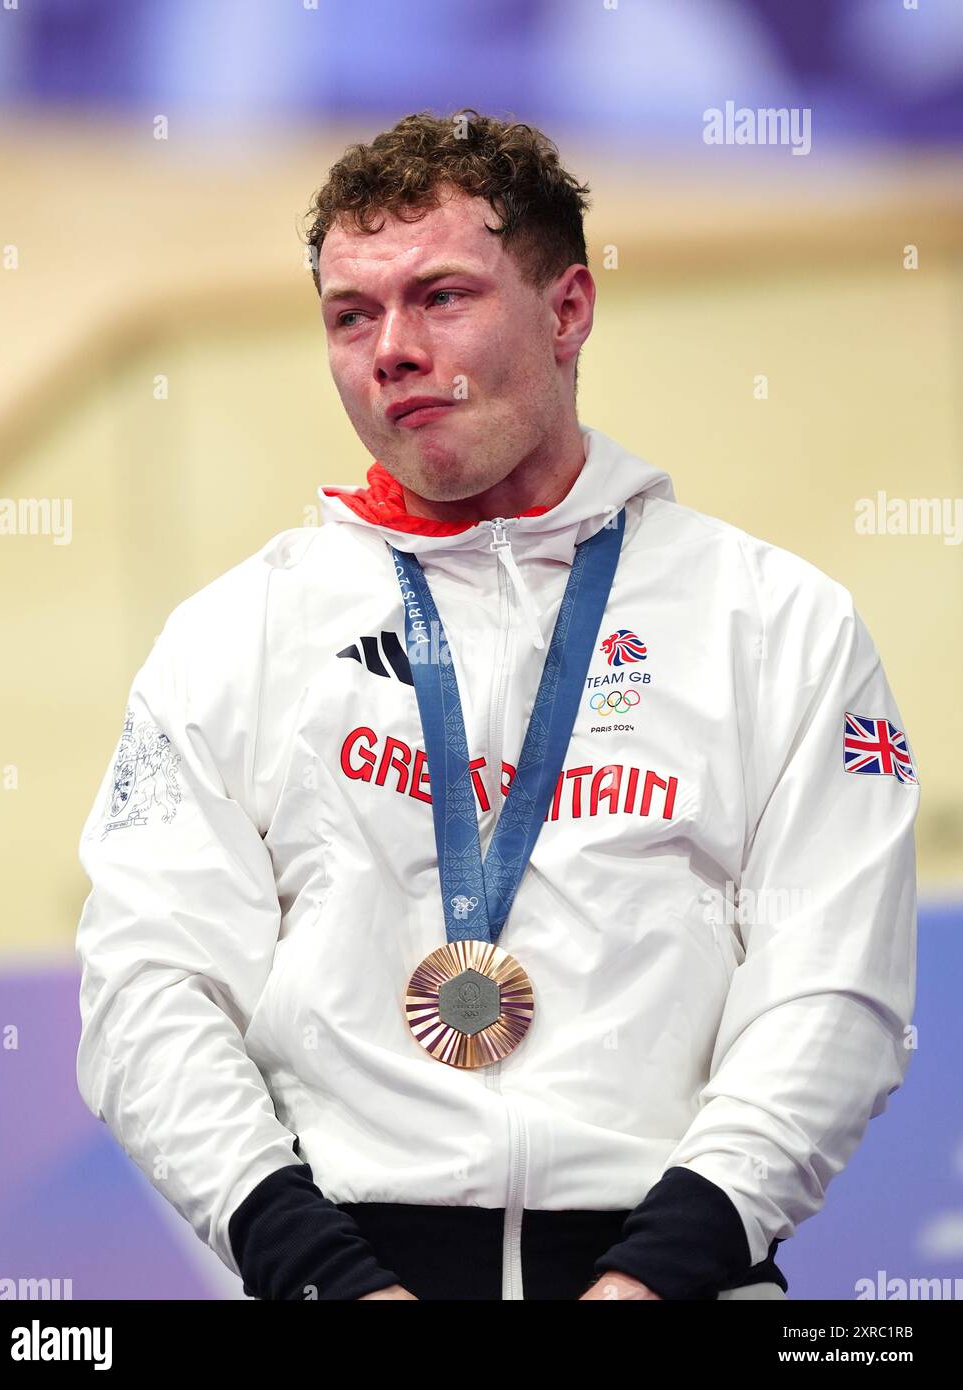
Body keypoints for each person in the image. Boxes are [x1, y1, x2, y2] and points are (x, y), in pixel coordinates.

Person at [73, 109, 919, 1302]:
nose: (393, 350)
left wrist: (655, 1276)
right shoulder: (237, 631)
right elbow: (149, 992)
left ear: (568, 308)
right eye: (352, 315)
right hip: (340, 1266)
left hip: (681, 1266)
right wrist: (321, 1275)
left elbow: (835, 990)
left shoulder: (774, 620)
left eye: (442, 297)